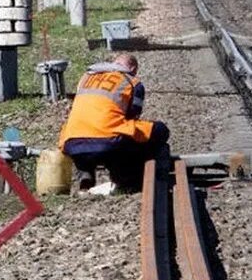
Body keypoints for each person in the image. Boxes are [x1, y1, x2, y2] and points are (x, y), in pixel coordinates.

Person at [58, 53, 171, 191]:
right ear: (133, 68)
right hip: (108, 141)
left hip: (71, 140)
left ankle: (85, 169)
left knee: (89, 133)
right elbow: (132, 116)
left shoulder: (86, 77)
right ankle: (126, 175)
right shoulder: (132, 81)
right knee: (159, 130)